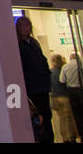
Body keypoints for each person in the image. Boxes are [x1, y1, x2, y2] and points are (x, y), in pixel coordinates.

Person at [15, 15, 54, 144]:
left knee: (46, 117)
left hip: (41, 88)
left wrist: (46, 81)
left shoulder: (34, 43)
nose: (25, 28)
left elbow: (43, 62)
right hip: (30, 89)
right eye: (22, 26)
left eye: (27, 25)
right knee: (34, 120)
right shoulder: (17, 44)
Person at [60, 51, 83, 143]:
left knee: (78, 116)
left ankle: (82, 136)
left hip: (72, 92)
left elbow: (62, 80)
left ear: (70, 58)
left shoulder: (65, 66)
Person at [48, 54, 77, 143]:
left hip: (54, 98)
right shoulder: (61, 71)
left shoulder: (50, 72)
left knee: (61, 118)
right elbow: (65, 83)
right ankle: (70, 137)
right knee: (68, 118)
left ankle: (64, 137)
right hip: (63, 97)